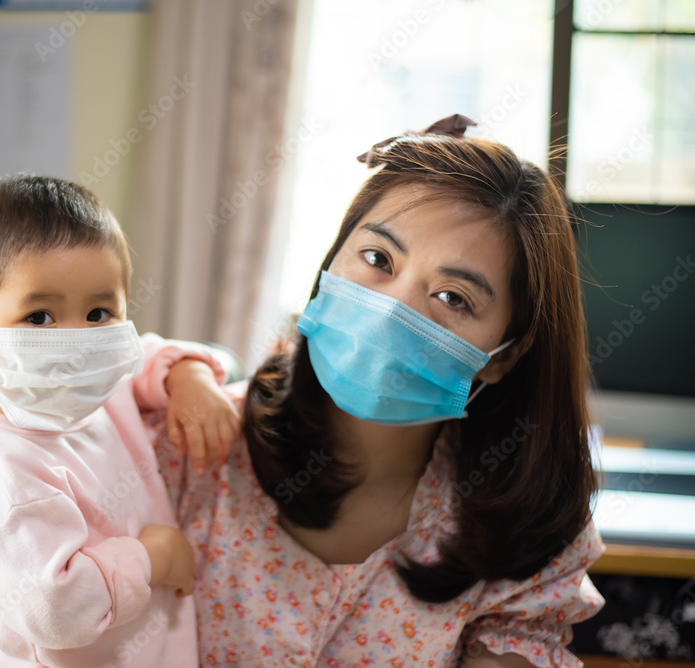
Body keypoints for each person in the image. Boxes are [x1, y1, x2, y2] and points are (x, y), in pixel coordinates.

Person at [153, 116, 606, 667]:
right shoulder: (188, 444)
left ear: (504, 355)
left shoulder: (523, 531)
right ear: (332, 260)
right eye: (377, 259)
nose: (394, 309)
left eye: (453, 297)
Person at [0, 174, 240, 667]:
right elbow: (57, 610)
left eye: (99, 313)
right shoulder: (4, 480)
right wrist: (152, 557)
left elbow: (147, 357)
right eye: (39, 318)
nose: (77, 347)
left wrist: (189, 377)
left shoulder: (99, 383)